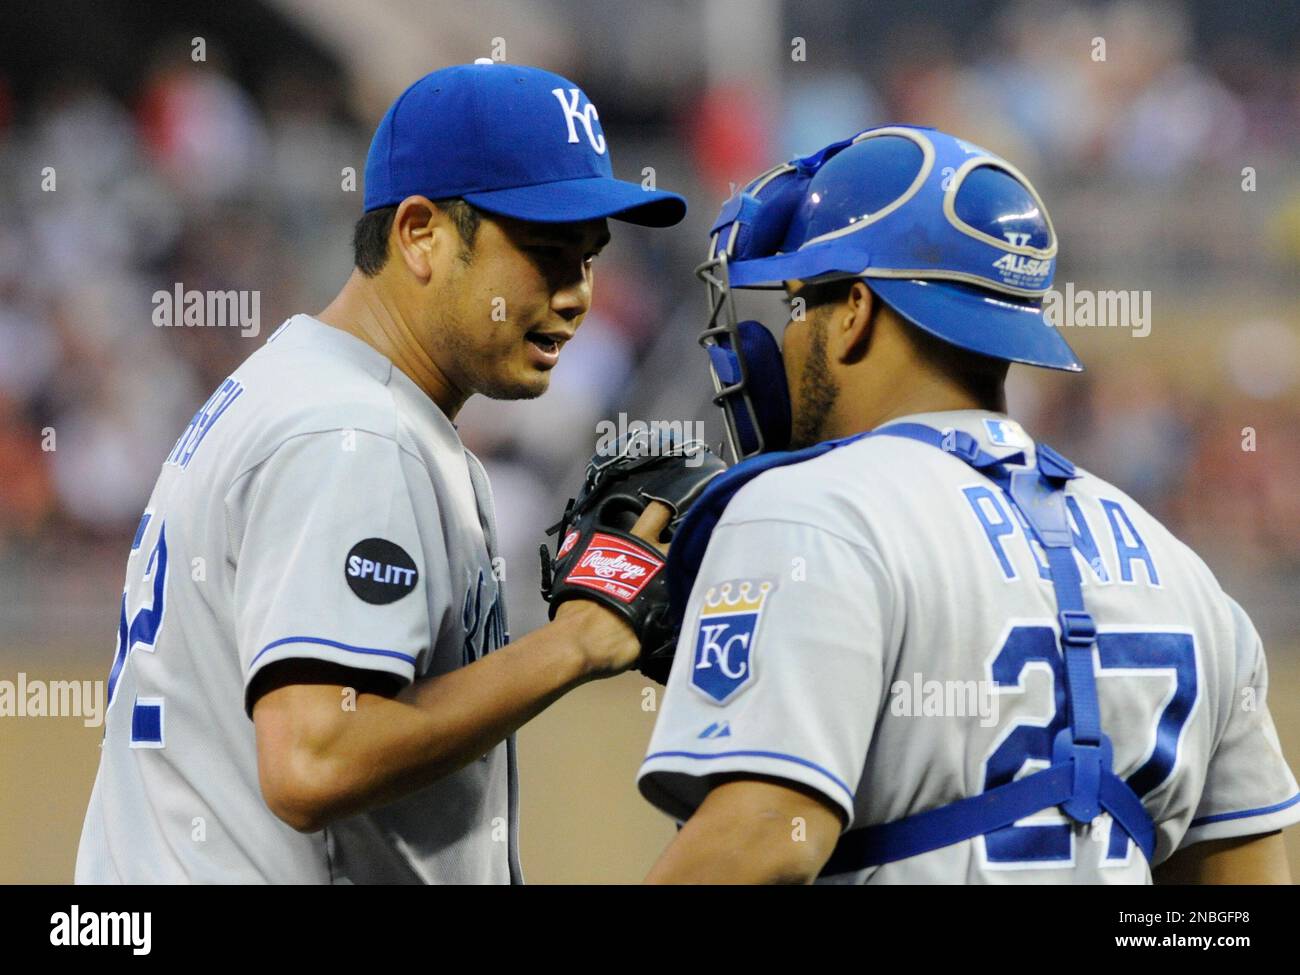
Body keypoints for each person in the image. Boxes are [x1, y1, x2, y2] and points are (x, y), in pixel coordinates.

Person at [636, 125, 1299, 884]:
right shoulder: (1185, 572)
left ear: (854, 309)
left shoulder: (809, 510)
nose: (785, 340)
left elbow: (761, 841)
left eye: (796, 305)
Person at [74, 61, 686, 883]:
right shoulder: (352, 430)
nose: (578, 293)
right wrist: (571, 646)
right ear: (421, 233)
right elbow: (314, 758)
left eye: (588, 257)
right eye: (547, 251)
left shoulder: (314, 388)